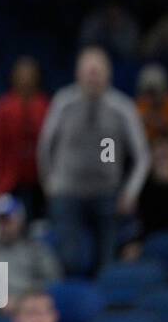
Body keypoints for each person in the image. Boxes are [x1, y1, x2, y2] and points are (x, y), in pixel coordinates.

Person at [38, 47, 150, 276]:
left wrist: (131, 192)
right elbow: (45, 147)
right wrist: (49, 183)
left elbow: (142, 156)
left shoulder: (123, 107)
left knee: (107, 263)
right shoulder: (63, 102)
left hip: (107, 194)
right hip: (67, 192)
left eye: (97, 72)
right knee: (69, 259)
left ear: (108, 74)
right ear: (78, 74)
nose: (93, 77)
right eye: (88, 71)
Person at [0, 56, 49, 217]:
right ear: (14, 77)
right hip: (11, 181)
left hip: (40, 181)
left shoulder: (45, 106)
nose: (26, 79)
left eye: (30, 74)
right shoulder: (3, 108)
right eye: (22, 74)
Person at [0, 195, 62, 300]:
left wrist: (28, 297)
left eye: (7, 220)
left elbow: (54, 280)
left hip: (33, 304)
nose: (3, 225)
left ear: (19, 219)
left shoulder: (37, 249)